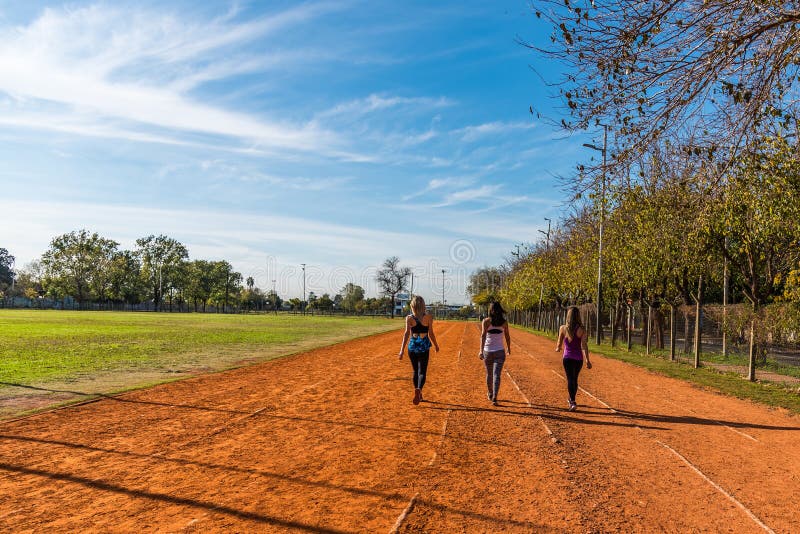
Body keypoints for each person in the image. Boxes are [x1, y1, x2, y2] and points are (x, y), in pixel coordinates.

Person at [398, 295, 440, 405]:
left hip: (412, 347)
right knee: (422, 372)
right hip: (424, 346)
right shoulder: (428, 317)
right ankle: (419, 389)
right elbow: (431, 333)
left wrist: (401, 350)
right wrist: (436, 345)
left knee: (415, 371)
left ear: (413, 305)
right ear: (423, 305)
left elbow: (406, 334)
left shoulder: (409, 318)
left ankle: (418, 391)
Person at [555, 306, 593, 411]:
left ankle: (572, 401)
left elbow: (559, 342)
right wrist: (587, 360)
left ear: (568, 315)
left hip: (567, 358)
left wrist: (558, 348)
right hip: (578, 359)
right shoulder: (582, 329)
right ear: (578, 316)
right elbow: (584, 345)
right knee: (574, 379)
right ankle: (572, 399)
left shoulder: (563, 328)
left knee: (570, 379)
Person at [479, 302, 511, 406]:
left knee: (489, 374)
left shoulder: (486, 321)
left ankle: (490, 393)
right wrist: (509, 348)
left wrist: (480, 350)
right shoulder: (504, 323)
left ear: (490, 310)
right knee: (497, 374)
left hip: (488, 351)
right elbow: (507, 336)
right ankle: (495, 397)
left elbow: (483, 336)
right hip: (500, 352)